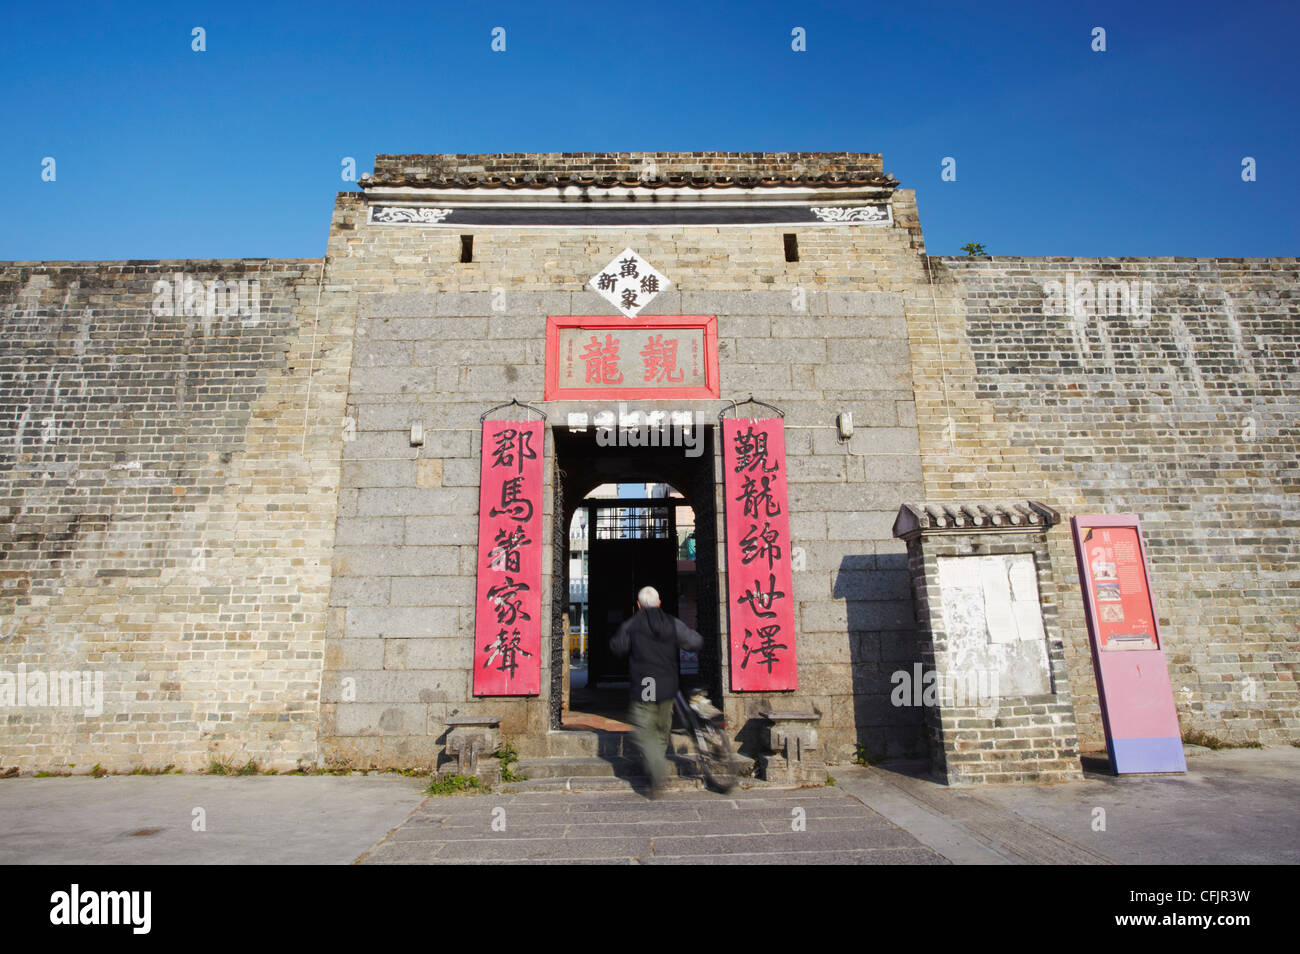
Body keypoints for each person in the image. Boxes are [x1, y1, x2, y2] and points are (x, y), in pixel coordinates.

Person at [609, 585, 703, 798]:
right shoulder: (672, 622)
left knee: (645, 727)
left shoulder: (633, 624)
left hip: (646, 683)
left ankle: (657, 769)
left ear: (639, 605)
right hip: (669, 685)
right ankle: (656, 764)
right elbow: (694, 641)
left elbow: (618, 647)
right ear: (659, 603)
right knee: (661, 728)